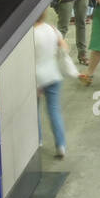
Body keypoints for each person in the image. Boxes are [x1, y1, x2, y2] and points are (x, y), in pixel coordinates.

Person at [33, 11, 70, 159]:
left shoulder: (30, 34)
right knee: (54, 110)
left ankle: (38, 141)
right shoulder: (52, 29)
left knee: (33, 112)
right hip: (53, 74)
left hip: (36, 77)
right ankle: (61, 145)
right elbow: (65, 48)